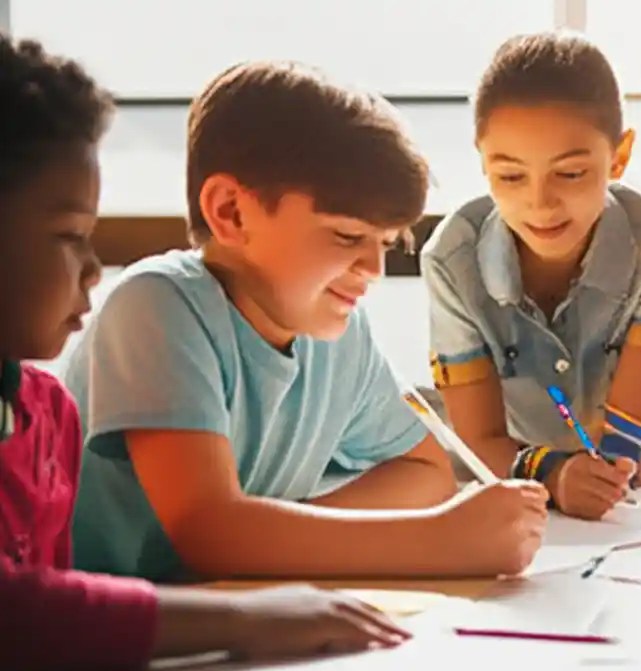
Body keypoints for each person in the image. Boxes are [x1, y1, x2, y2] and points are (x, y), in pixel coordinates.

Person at [0, 33, 409, 671]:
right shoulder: (158, 304)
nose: (91, 274)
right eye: (69, 237)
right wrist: (243, 618)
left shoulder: (45, 412)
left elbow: (46, 618)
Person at [65, 59, 548, 582]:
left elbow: (424, 472)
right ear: (231, 212)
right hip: (100, 640)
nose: (374, 269)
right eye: (345, 236)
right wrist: (440, 541)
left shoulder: (336, 330)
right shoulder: (158, 307)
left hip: (231, 619)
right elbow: (210, 532)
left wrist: (280, 536)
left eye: (385, 243)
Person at [423, 31, 641, 521]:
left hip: (638, 461)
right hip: (515, 472)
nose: (540, 203)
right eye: (510, 175)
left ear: (619, 156)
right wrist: (551, 473)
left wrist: (602, 477)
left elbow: (632, 433)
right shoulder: (450, 259)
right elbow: (477, 440)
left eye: (570, 174)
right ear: (482, 159)